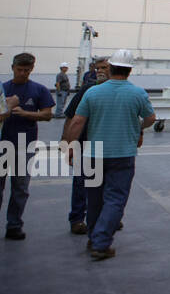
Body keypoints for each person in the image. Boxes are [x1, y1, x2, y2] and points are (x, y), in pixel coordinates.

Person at [63, 50, 155, 260]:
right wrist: (138, 127)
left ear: (111, 67)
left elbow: (77, 121)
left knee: (94, 198)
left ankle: (94, 237)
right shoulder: (138, 94)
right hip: (122, 155)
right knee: (115, 198)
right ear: (130, 70)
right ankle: (101, 243)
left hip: (93, 154)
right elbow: (150, 118)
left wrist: (69, 147)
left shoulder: (93, 93)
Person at [1, 52, 55, 240]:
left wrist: (25, 113)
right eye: (19, 70)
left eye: (26, 70)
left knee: (20, 187)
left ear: (32, 69)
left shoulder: (39, 90)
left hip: (25, 145)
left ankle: (14, 225)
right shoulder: (3, 89)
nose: (23, 73)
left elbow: (47, 114)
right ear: (12, 68)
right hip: (2, 144)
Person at [61, 56, 109, 234]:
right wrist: (66, 142)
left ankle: (106, 217)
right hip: (84, 144)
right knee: (81, 183)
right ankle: (77, 219)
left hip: (108, 146)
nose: (100, 71)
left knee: (106, 184)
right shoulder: (87, 90)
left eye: (104, 67)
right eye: (98, 68)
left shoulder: (119, 91)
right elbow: (71, 116)